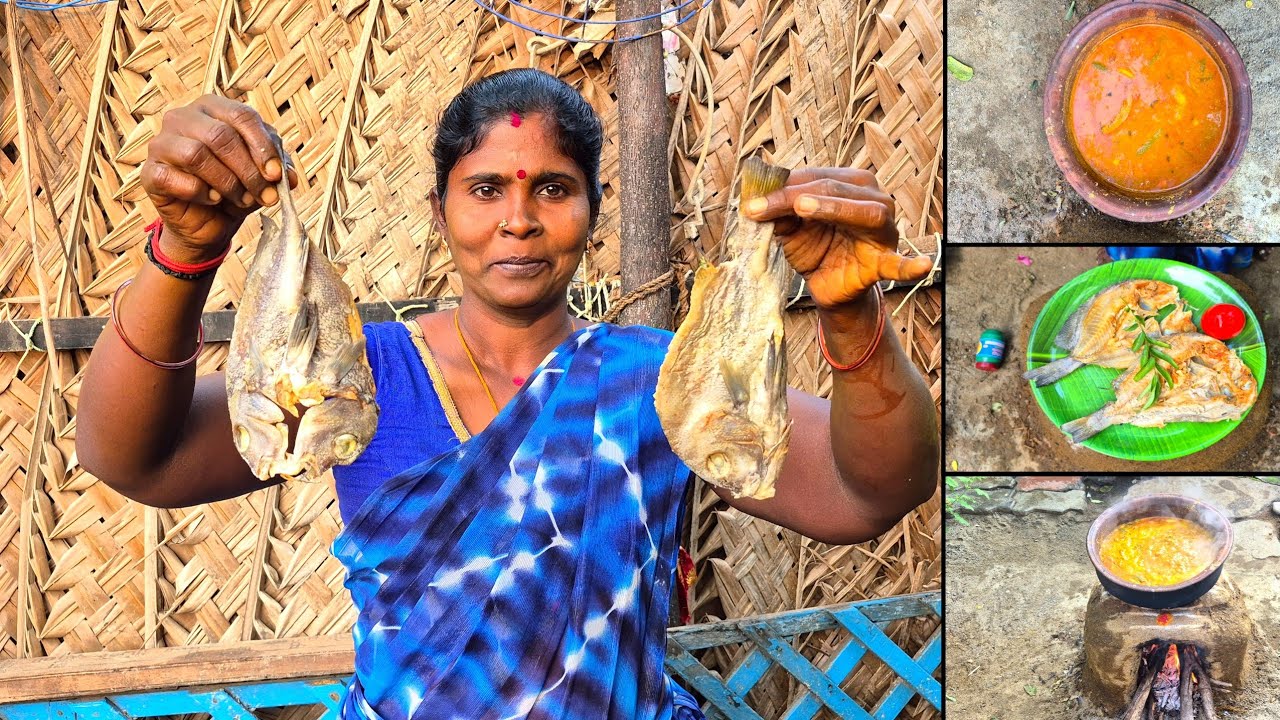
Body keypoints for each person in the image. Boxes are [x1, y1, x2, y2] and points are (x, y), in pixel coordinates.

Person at [77, 68, 939, 720]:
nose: (518, 220)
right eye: (486, 189)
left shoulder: (655, 380)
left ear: (593, 208)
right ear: (443, 208)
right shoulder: (355, 376)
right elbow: (135, 459)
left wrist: (852, 315)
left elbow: (867, 492)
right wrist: (184, 250)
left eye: (552, 189)